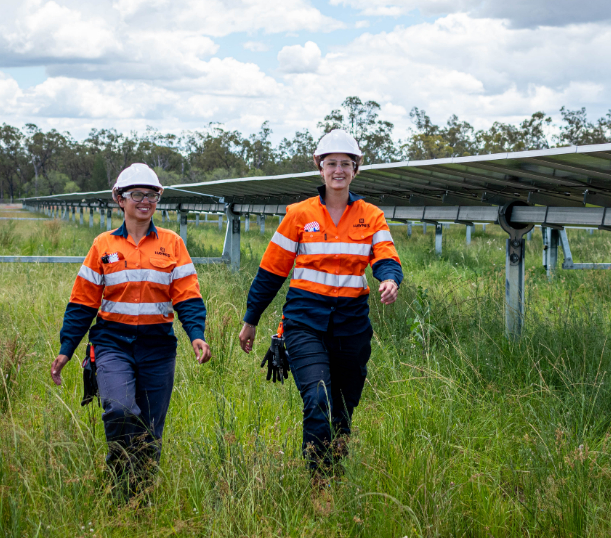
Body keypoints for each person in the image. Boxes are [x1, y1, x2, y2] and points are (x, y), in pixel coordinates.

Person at [237, 129, 402, 476]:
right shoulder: (299, 214)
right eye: (331, 163)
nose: (338, 170)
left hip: (352, 326)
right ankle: (319, 481)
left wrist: (389, 279)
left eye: (345, 164)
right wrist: (251, 319)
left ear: (355, 169)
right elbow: (271, 271)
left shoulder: (371, 215)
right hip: (305, 322)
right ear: (320, 167)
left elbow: (385, 254)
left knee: (343, 406)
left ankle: (336, 471)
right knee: (317, 398)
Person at [51, 162, 211, 490]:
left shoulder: (173, 244)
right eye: (136, 194)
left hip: (157, 347)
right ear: (120, 199)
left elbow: (187, 296)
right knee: (119, 408)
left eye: (152, 195)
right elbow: (83, 302)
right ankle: (119, 478)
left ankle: (140, 495)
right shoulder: (103, 245)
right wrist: (67, 349)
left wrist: (196, 334)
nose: (145, 201)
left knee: (150, 429)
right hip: (112, 344)